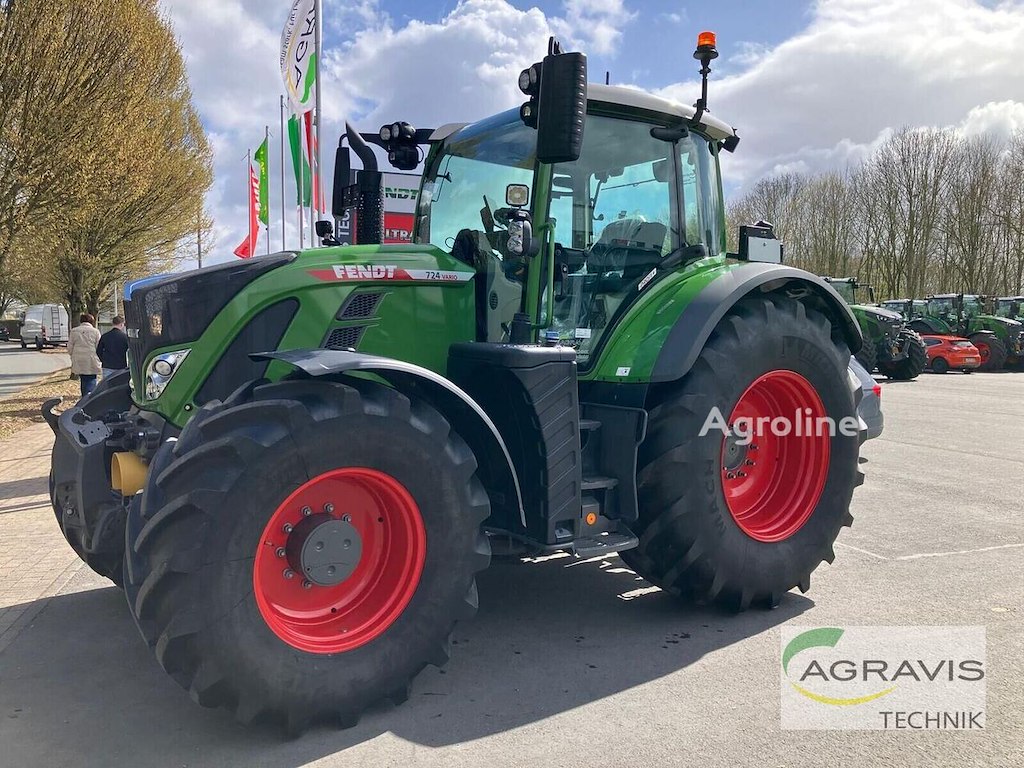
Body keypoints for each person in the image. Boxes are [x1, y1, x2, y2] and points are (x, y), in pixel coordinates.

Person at [68, 313, 101, 398]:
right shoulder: (95, 331)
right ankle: (90, 397)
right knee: (91, 377)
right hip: (91, 357)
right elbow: (99, 346)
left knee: (83, 378)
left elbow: (70, 346)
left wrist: (72, 355)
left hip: (78, 358)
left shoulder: (74, 331)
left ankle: (84, 396)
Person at [97, 315, 129, 380]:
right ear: (121, 324)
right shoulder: (125, 337)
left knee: (108, 386)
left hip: (107, 366)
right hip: (121, 366)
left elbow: (98, 351)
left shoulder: (105, 336)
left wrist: (103, 360)